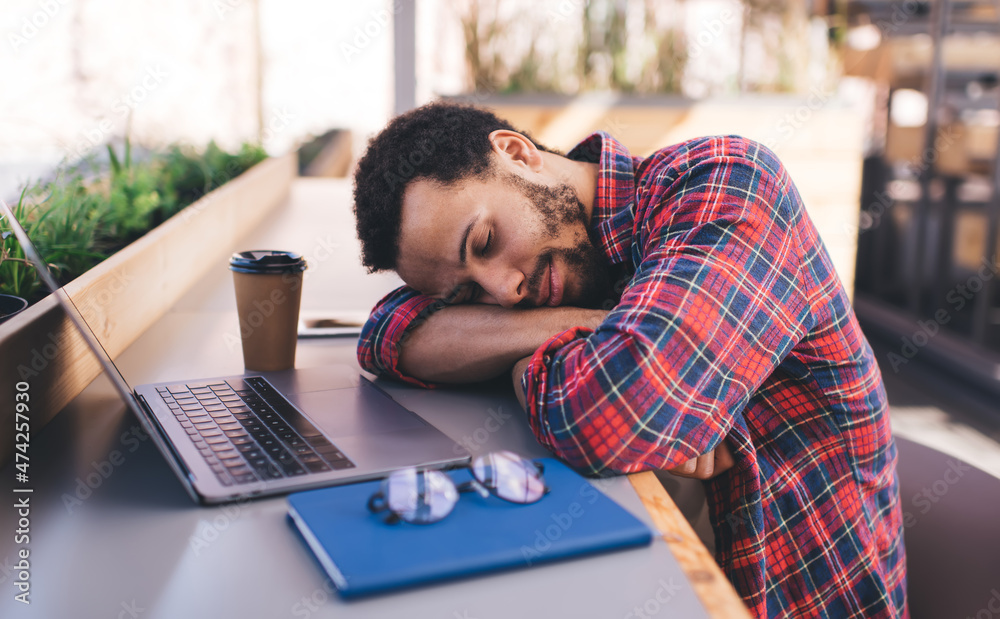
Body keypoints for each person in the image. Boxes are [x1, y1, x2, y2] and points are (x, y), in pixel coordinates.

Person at [351, 102, 907, 618]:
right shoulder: (560, 272)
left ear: (517, 154)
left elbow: (612, 415)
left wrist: (522, 360)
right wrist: (585, 329)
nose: (504, 291)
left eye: (487, 240)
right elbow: (385, 333)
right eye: (468, 296)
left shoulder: (726, 182)